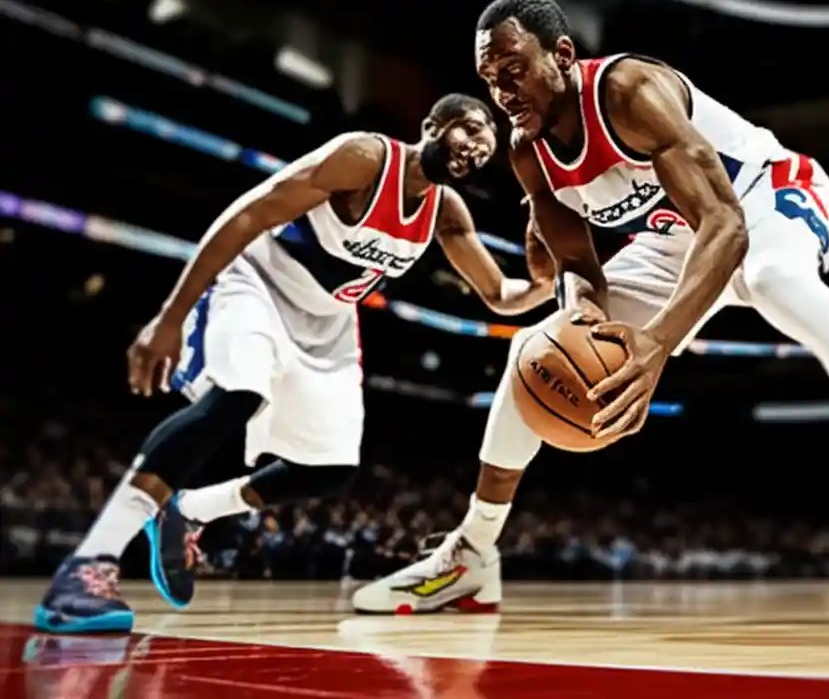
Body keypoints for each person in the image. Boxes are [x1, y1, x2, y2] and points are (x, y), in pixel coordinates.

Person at [352, 0, 829, 624]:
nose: (503, 90)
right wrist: (581, 320)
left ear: (563, 55)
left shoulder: (630, 90)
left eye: (514, 69)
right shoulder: (526, 149)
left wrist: (656, 344)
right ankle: (472, 555)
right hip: (674, 235)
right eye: (489, 77)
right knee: (529, 352)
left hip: (763, 197)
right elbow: (578, 267)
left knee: (775, 283)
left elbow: (726, 224)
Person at [34, 94, 555, 634]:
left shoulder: (446, 211)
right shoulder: (364, 158)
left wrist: (544, 283)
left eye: (486, 146)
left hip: (328, 323)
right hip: (260, 283)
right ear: (432, 126)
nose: (476, 147)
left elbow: (498, 295)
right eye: (470, 130)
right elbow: (251, 212)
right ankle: (89, 564)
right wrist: (171, 317)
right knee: (238, 396)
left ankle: (189, 509)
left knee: (328, 470)